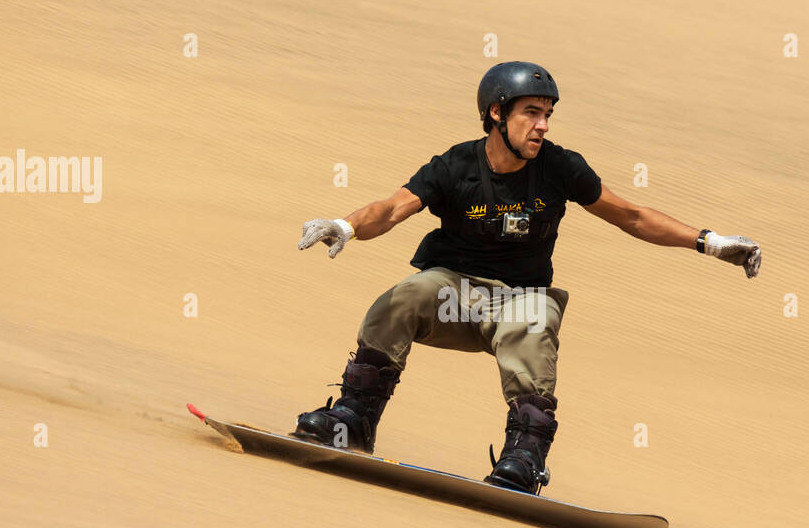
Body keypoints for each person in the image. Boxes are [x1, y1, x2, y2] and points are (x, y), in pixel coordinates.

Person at [294, 61, 761, 494]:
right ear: (496, 113)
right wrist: (347, 226)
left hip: (520, 300)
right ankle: (354, 420)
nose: (543, 125)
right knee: (405, 295)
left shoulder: (560, 168)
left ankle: (524, 459)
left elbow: (633, 216)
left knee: (534, 323)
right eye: (532, 112)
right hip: (455, 294)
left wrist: (708, 241)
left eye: (548, 114)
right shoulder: (456, 165)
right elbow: (394, 208)